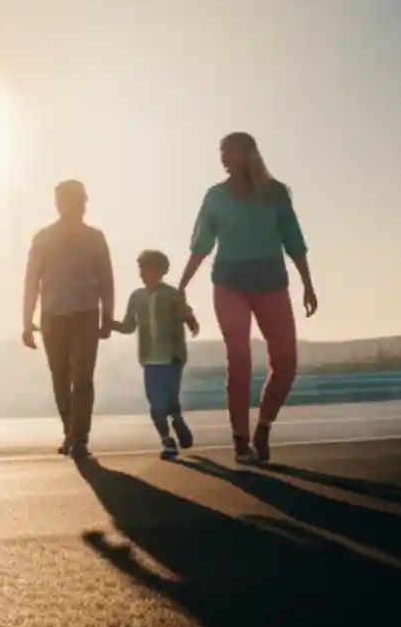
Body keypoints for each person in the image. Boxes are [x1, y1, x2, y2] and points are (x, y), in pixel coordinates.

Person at [177, 132, 318, 465]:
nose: (224, 158)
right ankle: (240, 440)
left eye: (230, 152)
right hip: (230, 284)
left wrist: (308, 284)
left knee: (286, 362)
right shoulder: (215, 197)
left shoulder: (276, 194)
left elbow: (294, 241)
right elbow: (201, 245)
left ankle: (264, 425)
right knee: (238, 361)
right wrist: (182, 284)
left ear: (249, 154)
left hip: (271, 283)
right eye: (221, 152)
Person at [22, 179, 115, 458]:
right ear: (58, 204)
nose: (74, 205)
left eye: (77, 199)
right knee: (60, 377)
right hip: (52, 316)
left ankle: (80, 438)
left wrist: (108, 317)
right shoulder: (44, 237)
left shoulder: (94, 237)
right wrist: (27, 322)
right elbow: (31, 282)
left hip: (86, 314)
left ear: (84, 202)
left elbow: (106, 280)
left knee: (83, 377)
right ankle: (70, 432)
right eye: (66, 199)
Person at [113, 250, 199, 460]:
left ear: (161, 271)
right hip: (149, 359)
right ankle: (166, 440)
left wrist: (192, 323)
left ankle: (177, 419)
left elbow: (186, 314)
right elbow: (128, 326)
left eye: (148, 268)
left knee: (170, 398)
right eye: (141, 268)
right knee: (155, 402)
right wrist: (109, 325)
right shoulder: (136, 297)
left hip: (172, 357)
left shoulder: (173, 294)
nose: (143, 273)